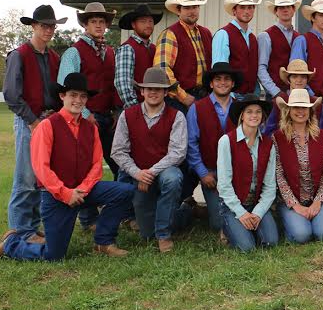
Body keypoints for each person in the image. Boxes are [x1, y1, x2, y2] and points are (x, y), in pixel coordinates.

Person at [0, 73, 134, 261]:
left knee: (125, 191)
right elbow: (41, 169)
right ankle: (11, 244)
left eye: (83, 96)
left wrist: (82, 190)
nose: (78, 100)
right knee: (54, 255)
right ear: (62, 96)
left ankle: (104, 241)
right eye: (73, 95)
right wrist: (66, 194)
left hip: (84, 191)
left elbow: (96, 165)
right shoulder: (47, 126)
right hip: (56, 196)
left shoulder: (91, 128)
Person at [111, 67, 192, 252]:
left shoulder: (176, 116)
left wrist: (151, 172)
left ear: (165, 92)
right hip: (137, 172)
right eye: (149, 88)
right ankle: (183, 212)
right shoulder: (128, 115)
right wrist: (137, 173)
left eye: (158, 88)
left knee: (173, 178)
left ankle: (164, 234)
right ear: (142, 91)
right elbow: (118, 151)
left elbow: (178, 152)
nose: (153, 92)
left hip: (164, 171)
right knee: (147, 234)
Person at [4, 4, 64, 243]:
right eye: (43, 25)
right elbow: (11, 94)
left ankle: (32, 228)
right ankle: (19, 232)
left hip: (49, 121)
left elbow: (58, 92)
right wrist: (32, 121)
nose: (48, 30)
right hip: (28, 121)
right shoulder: (19, 55)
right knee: (25, 178)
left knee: (42, 178)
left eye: (51, 26)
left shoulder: (54, 57)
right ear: (33, 26)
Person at [59, 3, 120, 180]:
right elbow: (66, 87)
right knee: (85, 168)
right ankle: (87, 208)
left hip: (108, 118)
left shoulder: (110, 52)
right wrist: (85, 114)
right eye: (93, 21)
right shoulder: (74, 52)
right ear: (85, 25)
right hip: (85, 117)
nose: (99, 25)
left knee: (119, 164)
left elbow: (114, 83)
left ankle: (118, 206)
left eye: (102, 21)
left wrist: (116, 110)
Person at [272, 89, 323, 244]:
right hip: (292, 199)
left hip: (318, 197)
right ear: (288, 110)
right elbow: (279, 175)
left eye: (304, 107)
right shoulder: (278, 137)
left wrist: (318, 201)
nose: (300, 111)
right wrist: (296, 206)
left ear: (310, 111)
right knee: (302, 235)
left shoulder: (322, 136)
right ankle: (292, 223)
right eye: (296, 107)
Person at [217, 94, 279, 252]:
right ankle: (229, 226)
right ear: (242, 116)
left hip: (256, 203)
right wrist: (241, 213)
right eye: (249, 111)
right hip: (233, 205)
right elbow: (224, 184)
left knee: (270, 242)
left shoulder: (268, 144)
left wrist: (257, 213)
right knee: (247, 248)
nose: (254, 115)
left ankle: (252, 226)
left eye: (258, 112)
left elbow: (270, 185)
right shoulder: (226, 141)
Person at [185, 62, 240, 235]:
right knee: (218, 223)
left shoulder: (242, 108)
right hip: (210, 172)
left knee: (237, 212)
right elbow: (191, 144)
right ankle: (189, 210)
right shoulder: (197, 108)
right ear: (211, 83)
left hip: (236, 171)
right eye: (218, 79)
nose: (222, 82)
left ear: (232, 83)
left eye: (227, 79)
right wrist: (202, 173)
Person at [154, 0, 213, 113]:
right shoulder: (170, 34)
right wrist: (183, 97)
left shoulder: (206, 33)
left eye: (195, 7)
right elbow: (162, 69)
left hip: (205, 96)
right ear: (178, 11)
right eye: (187, 8)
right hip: (179, 101)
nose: (192, 11)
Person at [212, 0, 262, 96]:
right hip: (233, 95)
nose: (247, 11)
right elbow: (219, 69)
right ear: (234, 10)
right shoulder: (223, 34)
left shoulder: (252, 38)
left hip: (252, 93)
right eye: (242, 7)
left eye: (250, 7)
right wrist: (229, 95)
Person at [290, 0, 323, 99]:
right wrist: (310, 94)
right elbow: (295, 72)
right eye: (321, 15)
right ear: (313, 18)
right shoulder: (302, 40)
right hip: (309, 98)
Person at [115, 3, 163, 109]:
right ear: (133, 25)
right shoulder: (127, 48)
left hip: (151, 107)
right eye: (143, 21)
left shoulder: (154, 48)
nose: (148, 25)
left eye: (150, 21)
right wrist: (135, 108)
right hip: (133, 108)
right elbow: (123, 83)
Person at [257, 0, 302, 99]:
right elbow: (261, 69)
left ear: (293, 10)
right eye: (281, 7)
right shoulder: (266, 36)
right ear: (276, 11)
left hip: (297, 95)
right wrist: (276, 92)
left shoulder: (300, 37)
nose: (285, 9)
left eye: (288, 7)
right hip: (274, 96)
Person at [264, 59, 323, 135]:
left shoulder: (315, 102)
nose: (299, 80)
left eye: (303, 77)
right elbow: (269, 132)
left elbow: (320, 131)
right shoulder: (278, 102)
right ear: (289, 79)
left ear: (307, 80)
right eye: (294, 76)